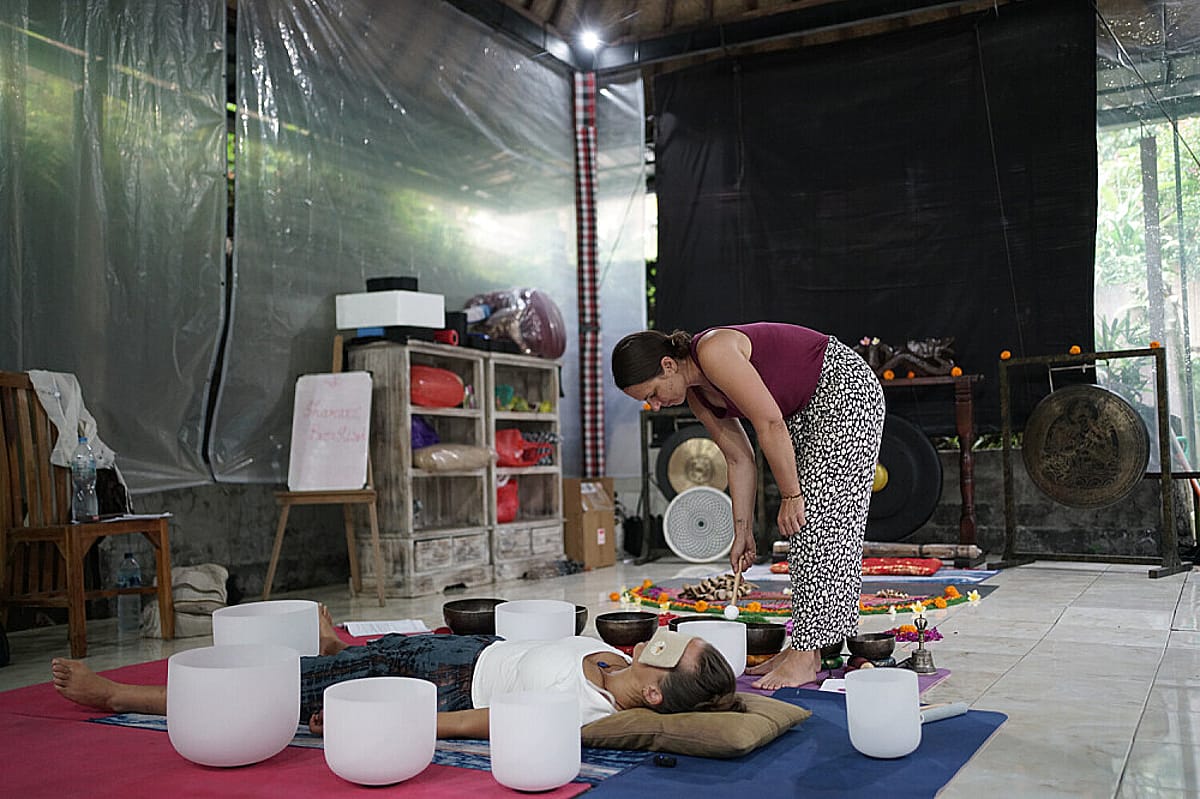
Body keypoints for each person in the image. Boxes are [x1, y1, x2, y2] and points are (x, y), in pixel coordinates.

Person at [612, 322, 885, 690]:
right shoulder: (698, 395)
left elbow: (769, 421)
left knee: (812, 526)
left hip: (842, 390)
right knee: (806, 530)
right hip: (806, 410)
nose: (656, 404)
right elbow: (738, 459)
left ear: (668, 365)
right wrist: (742, 533)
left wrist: (791, 495)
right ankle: (805, 649)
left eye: (654, 393)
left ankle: (806, 655)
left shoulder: (713, 351)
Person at [51, 606, 743, 739]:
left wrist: (388, 720)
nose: (663, 637)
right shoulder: (622, 659)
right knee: (340, 659)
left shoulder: (584, 707)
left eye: (669, 652)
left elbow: (480, 722)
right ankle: (339, 648)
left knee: (273, 692)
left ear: (654, 692)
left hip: (437, 685)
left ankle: (114, 692)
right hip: (459, 653)